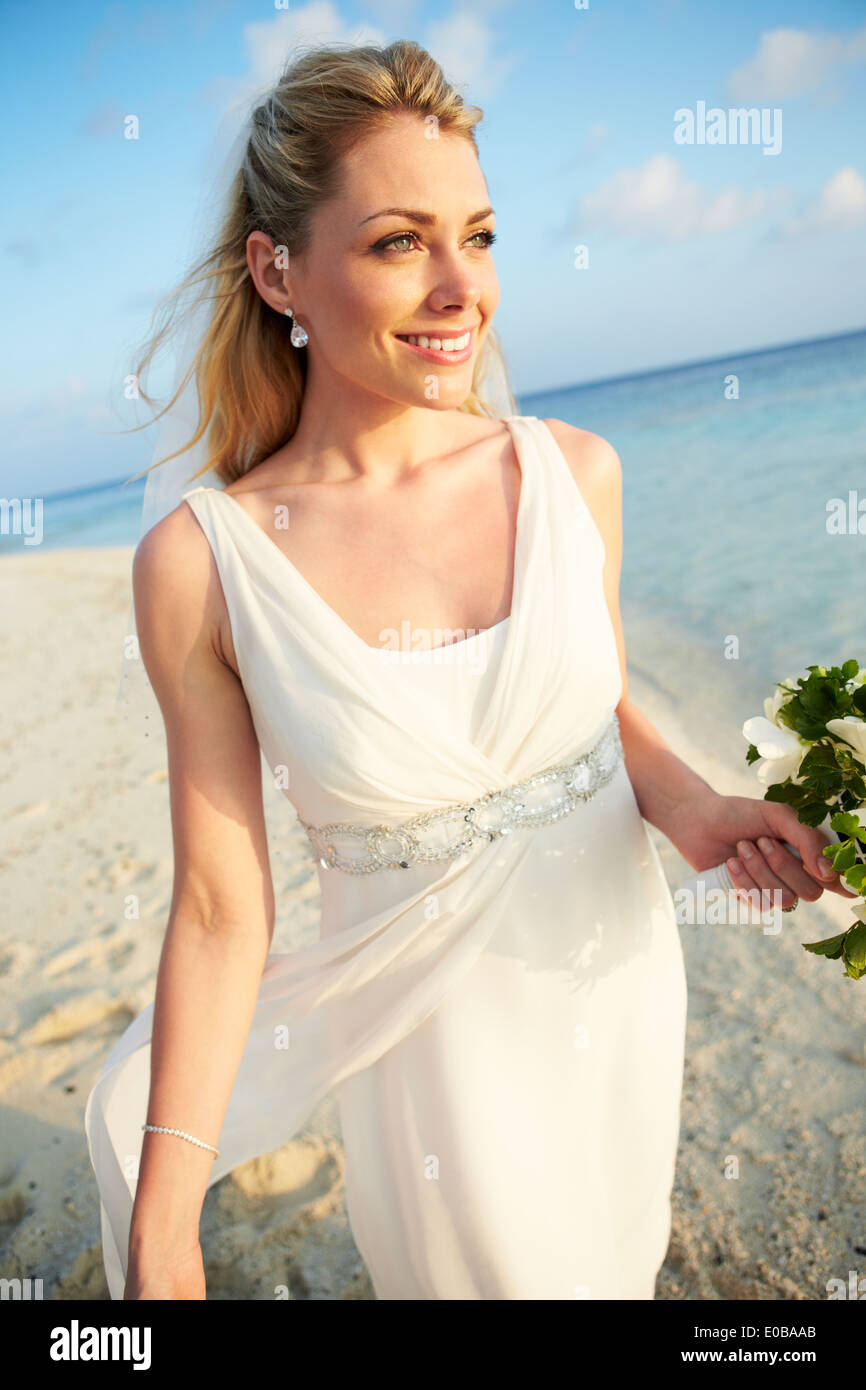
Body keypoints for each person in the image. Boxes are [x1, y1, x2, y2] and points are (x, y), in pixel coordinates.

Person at [85, 38, 854, 1302]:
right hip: (429, 1059)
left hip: (608, 983)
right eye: (399, 242)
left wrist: (699, 807)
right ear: (276, 271)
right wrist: (166, 1228)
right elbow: (221, 909)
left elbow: (594, 703)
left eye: (478, 237)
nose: (459, 289)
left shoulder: (573, 474)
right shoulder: (203, 566)